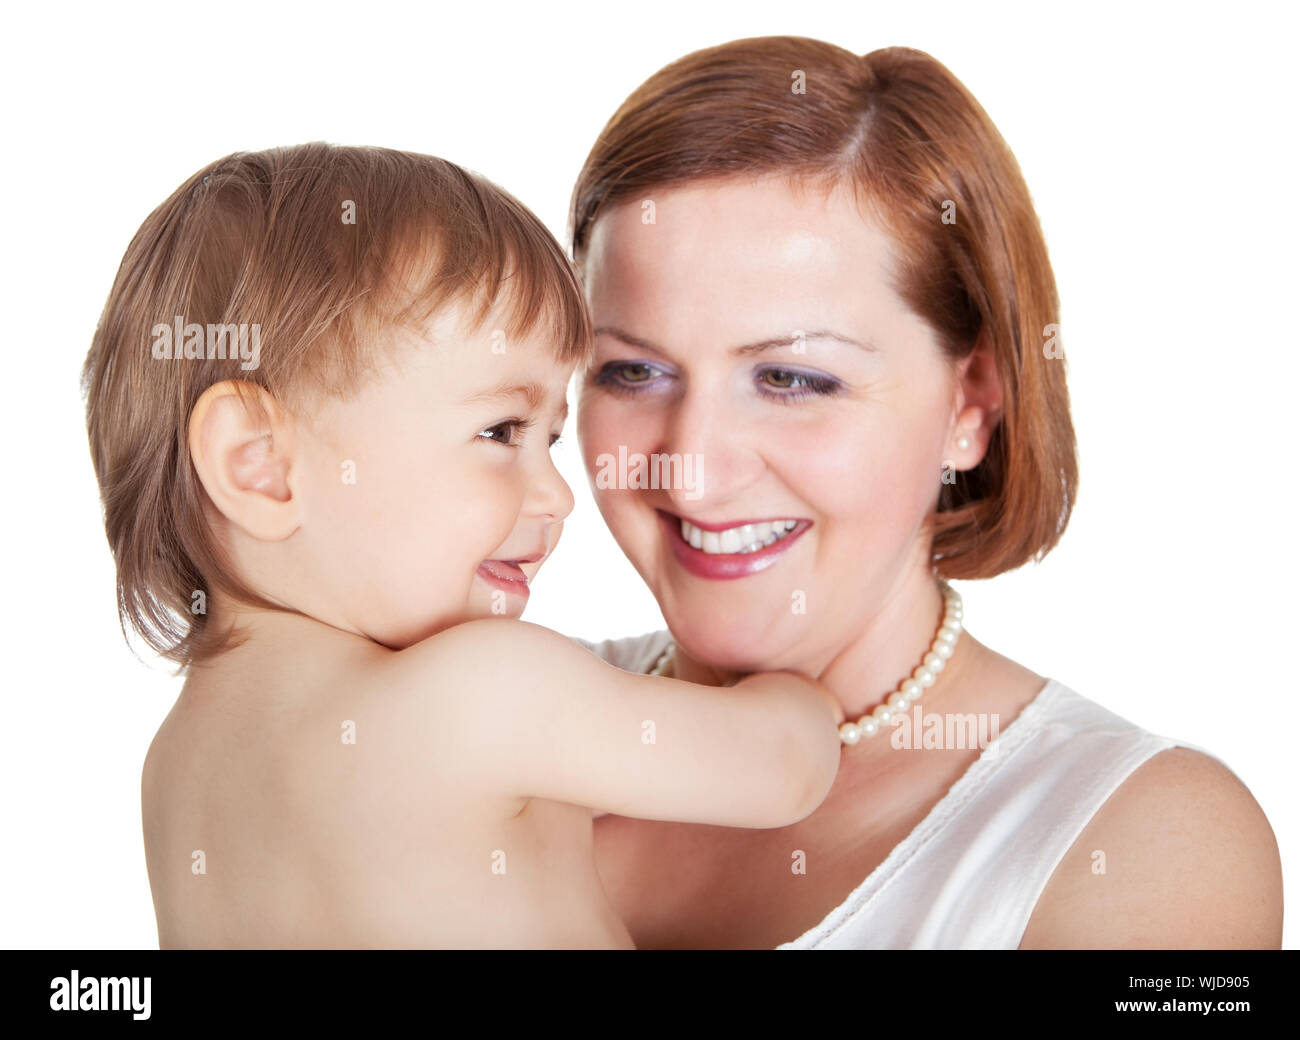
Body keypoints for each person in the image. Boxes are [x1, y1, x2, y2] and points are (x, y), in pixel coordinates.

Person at [568, 37, 1283, 948]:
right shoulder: (474, 723)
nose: (694, 470)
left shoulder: (1152, 840)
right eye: (632, 371)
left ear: (970, 405)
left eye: (792, 380)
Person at [80, 143, 844, 948]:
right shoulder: (480, 692)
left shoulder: (175, 769)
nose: (558, 496)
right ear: (261, 466)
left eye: (550, 437)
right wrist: (804, 692)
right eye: (500, 430)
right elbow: (785, 767)